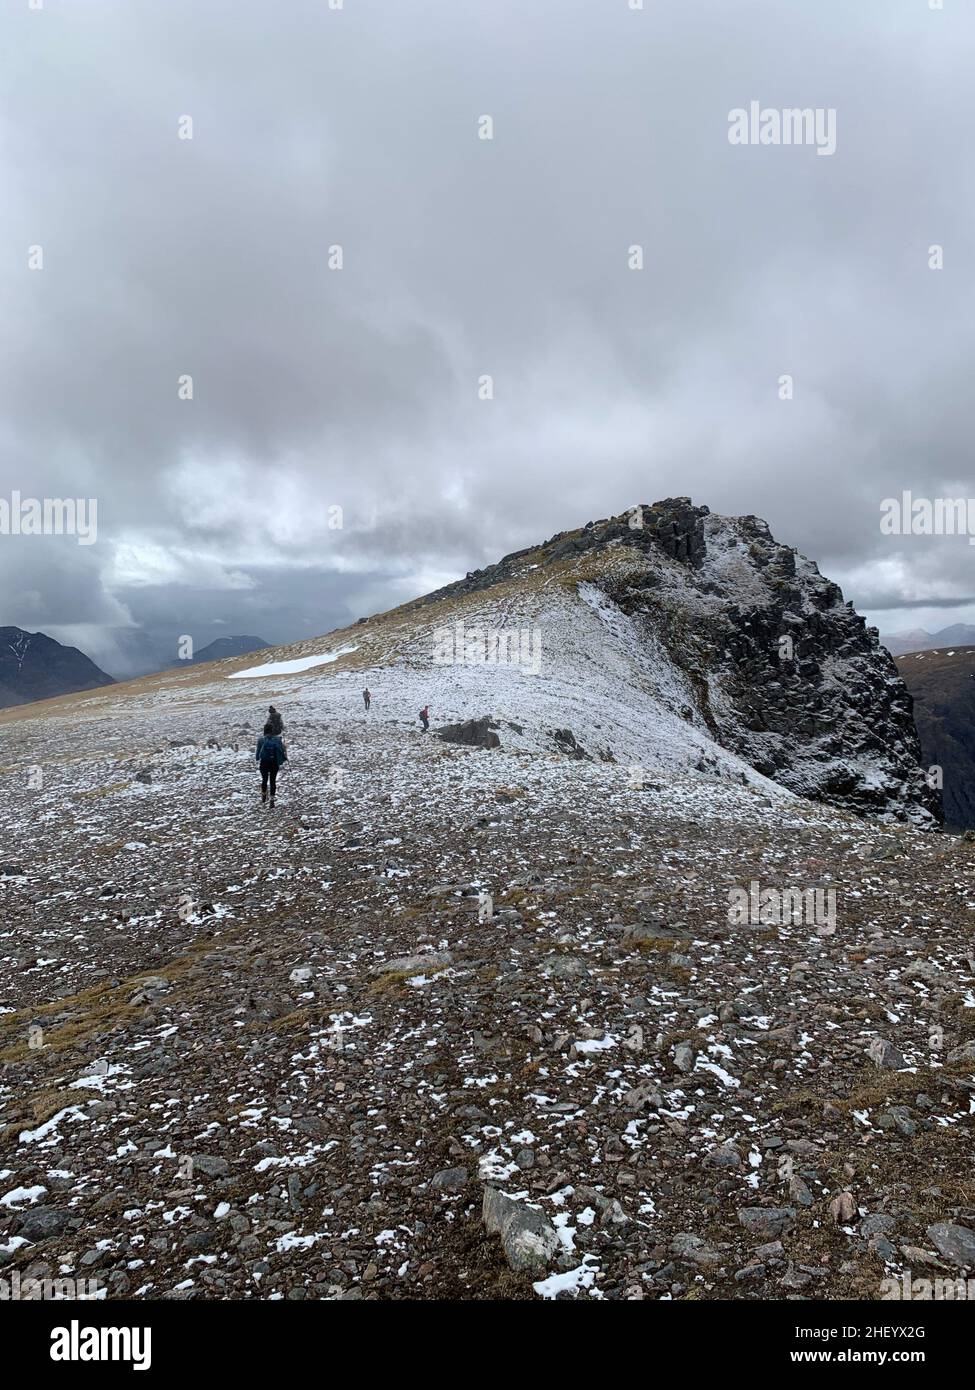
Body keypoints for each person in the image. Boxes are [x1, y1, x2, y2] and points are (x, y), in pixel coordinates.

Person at [256, 721, 288, 807]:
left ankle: (263, 795)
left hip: (264, 763)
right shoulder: (277, 739)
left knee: (264, 780)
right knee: (273, 781)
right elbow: (282, 750)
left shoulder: (261, 740)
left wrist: (257, 759)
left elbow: (258, 753)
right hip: (274, 763)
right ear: (272, 730)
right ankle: (272, 800)